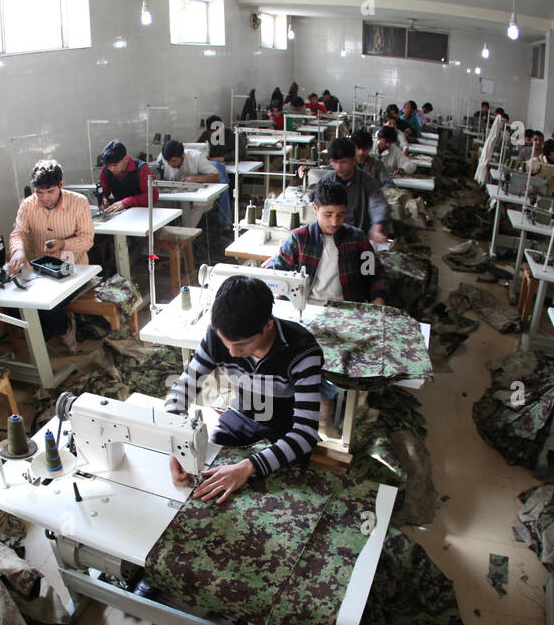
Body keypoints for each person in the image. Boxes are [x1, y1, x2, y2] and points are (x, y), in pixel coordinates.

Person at [164, 276, 322, 502]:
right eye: (226, 343)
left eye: (241, 345)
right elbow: (180, 392)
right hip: (241, 413)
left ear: (268, 325)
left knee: (283, 496)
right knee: (206, 472)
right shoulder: (217, 336)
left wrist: (248, 467)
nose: (232, 353)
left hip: (284, 426)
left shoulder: (303, 351)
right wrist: (178, 442)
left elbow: (305, 434)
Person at [6, 159, 95, 352]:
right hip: (43, 273)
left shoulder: (79, 203)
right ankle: (49, 339)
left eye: (50, 192)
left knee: (47, 306)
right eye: (39, 192)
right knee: (16, 307)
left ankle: (66, 333)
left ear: (61, 185)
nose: (44, 198)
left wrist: (63, 244)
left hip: (76, 272)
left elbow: (87, 240)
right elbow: (18, 233)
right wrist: (19, 251)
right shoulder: (28, 205)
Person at [263, 180, 387, 306]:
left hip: (345, 309)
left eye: (340, 215)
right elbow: (273, 270)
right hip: (305, 306)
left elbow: (375, 275)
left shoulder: (357, 239)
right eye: (328, 214)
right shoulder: (300, 238)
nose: (334, 222)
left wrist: (378, 297)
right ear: (315, 208)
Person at [298, 137, 389, 246]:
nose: (339, 167)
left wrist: (377, 227)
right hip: (330, 238)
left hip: (357, 239)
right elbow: (314, 202)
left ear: (354, 160)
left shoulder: (368, 182)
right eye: (335, 162)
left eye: (343, 162)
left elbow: (378, 204)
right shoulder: (326, 180)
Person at [157, 139, 231, 228]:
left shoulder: (196, 157)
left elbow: (216, 177)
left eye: (174, 161)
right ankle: (162, 234)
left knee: (198, 207)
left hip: (196, 199)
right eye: (167, 161)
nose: (170, 164)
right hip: (173, 198)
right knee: (155, 205)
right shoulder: (162, 157)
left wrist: (197, 179)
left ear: (182, 155)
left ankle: (184, 234)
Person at [97, 140, 159, 213]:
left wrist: (126, 202)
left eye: (115, 165)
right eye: (108, 165)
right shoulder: (106, 170)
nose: (111, 169)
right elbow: (103, 191)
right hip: (120, 212)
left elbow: (152, 196)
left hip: (142, 213)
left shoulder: (142, 169)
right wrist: (102, 200)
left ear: (126, 158)